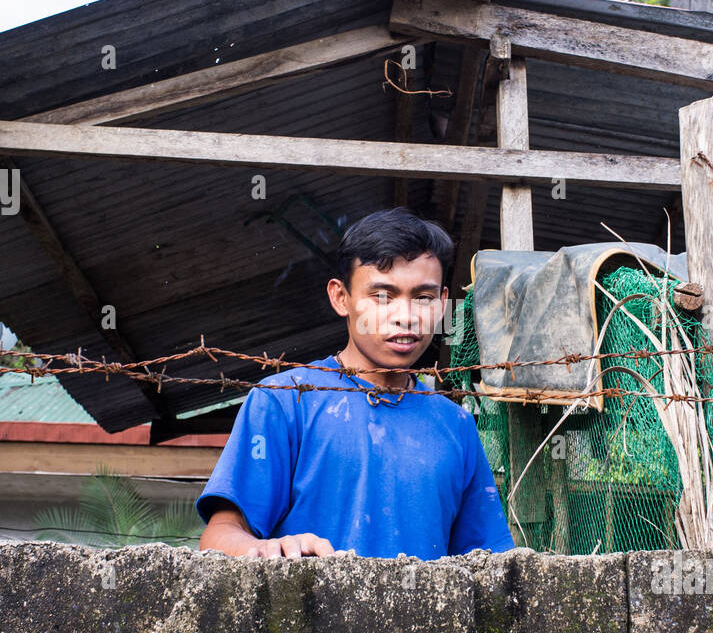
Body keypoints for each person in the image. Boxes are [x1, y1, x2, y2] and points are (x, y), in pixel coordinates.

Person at [196, 207, 515, 560]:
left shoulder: (456, 425)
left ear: (442, 305)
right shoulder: (285, 401)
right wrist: (266, 549)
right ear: (340, 297)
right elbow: (219, 535)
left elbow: (490, 561)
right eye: (381, 296)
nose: (405, 316)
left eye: (423, 298)